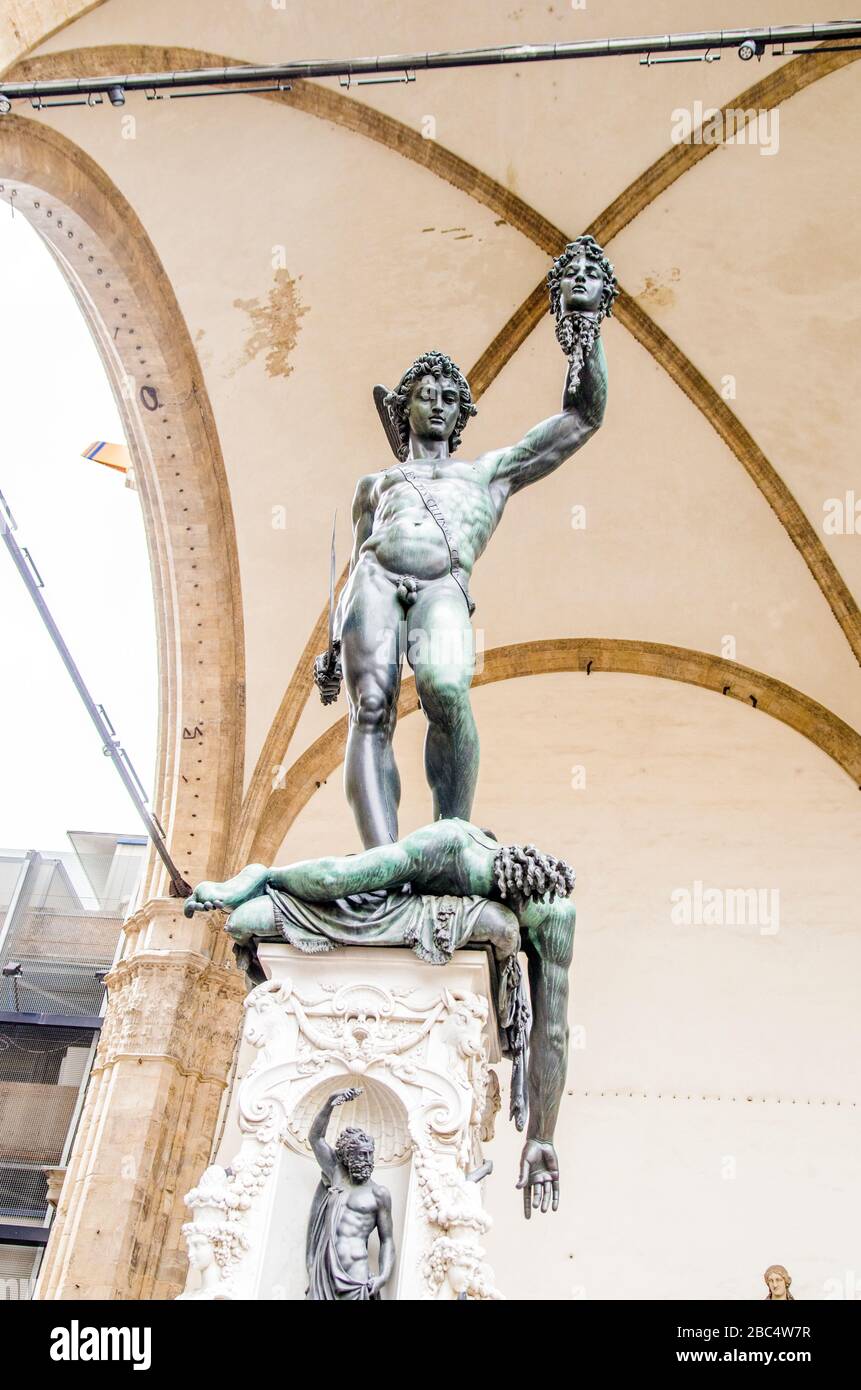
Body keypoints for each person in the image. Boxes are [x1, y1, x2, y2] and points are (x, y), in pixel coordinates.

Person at [314, 235, 617, 848]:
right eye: (425, 394)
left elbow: (581, 418)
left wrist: (584, 329)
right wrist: (328, 644)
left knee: (446, 689)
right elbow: (352, 561)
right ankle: (383, 860)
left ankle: (450, 836)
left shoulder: (488, 474)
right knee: (369, 711)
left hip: (443, 584)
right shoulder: (376, 484)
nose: (438, 403)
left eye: (450, 398)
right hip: (373, 580)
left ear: (463, 414)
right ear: (406, 408)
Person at [185, 816, 576, 1217]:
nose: (526, 916)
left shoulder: (554, 914)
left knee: (503, 928)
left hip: (426, 910)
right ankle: (261, 878)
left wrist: (542, 1136)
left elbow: (554, 1034)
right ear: (496, 882)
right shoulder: (451, 846)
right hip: (377, 899)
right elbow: (336, 878)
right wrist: (267, 877)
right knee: (256, 917)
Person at [305, 1087, 394, 1300]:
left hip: (357, 1275)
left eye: (370, 1154)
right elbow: (315, 1138)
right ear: (347, 1156)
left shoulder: (379, 1194)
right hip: (325, 1272)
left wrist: (383, 1276)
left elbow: (387, 1240)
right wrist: (330, 1102)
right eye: (361, 1154)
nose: (367, 1159)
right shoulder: (337, 1174)